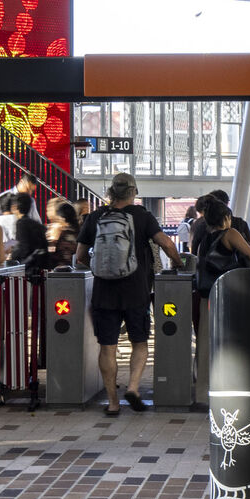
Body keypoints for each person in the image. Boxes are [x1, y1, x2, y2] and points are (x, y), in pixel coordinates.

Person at [77, 173, 182, 414]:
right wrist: (177, 262)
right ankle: (133, 387)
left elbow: (80, 256)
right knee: (140, 342)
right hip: (136, 291)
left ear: (111, 193)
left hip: (104, 291)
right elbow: (166, 243)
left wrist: (99, 267)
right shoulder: (142, 216)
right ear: (133, 192)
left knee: (107, 346)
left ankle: (113, 403)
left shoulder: (95, 217)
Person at [3, 190, 49, 265]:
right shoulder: (36, 224)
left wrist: (13, 257)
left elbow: (24, 248)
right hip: (41, 264)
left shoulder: (21, 223)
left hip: (29, 267)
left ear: (14, 207)